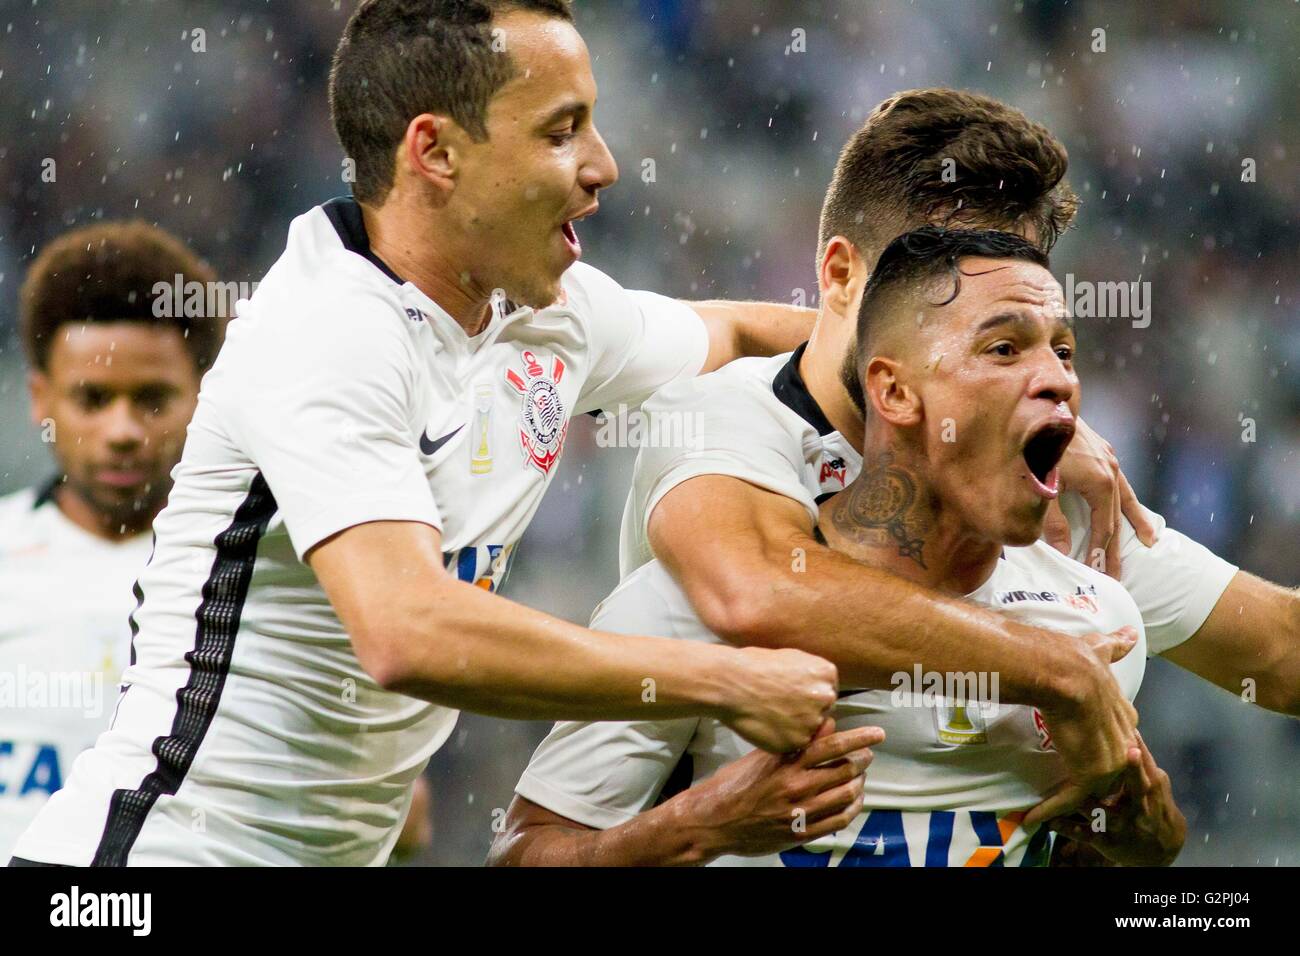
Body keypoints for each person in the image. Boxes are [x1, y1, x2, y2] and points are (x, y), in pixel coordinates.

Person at [10, 0, 835, 867]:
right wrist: (722, 679)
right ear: (434, 151)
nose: (605, 167)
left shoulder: (548, 314)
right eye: (563, 132)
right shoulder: (326, 329)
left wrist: (910, 358)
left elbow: (739, 333)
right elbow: (408, 631)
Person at [616, 89, 1293, 834]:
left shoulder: (1047, 480)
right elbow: (755, 591)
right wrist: (1056, 672)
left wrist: (1137, 833)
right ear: (842, 276)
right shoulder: (727, 415)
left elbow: (1279, 653)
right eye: (936, 275)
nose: (975, 301)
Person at [490, 228, 1186, 867]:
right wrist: (701, 825)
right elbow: (521, 856)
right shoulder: (687, 610)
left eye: (1063, 351)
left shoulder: (1097, 626)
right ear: (894, 391)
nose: (1059, 379)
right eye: (1004, 348)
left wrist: (1142, 842)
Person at [0, 222, 221, 861]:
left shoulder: (274, 575)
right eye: (92, 399)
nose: (121, 431)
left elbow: (402, 819)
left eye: (152, 400)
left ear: (206, 399)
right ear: (41, 398)